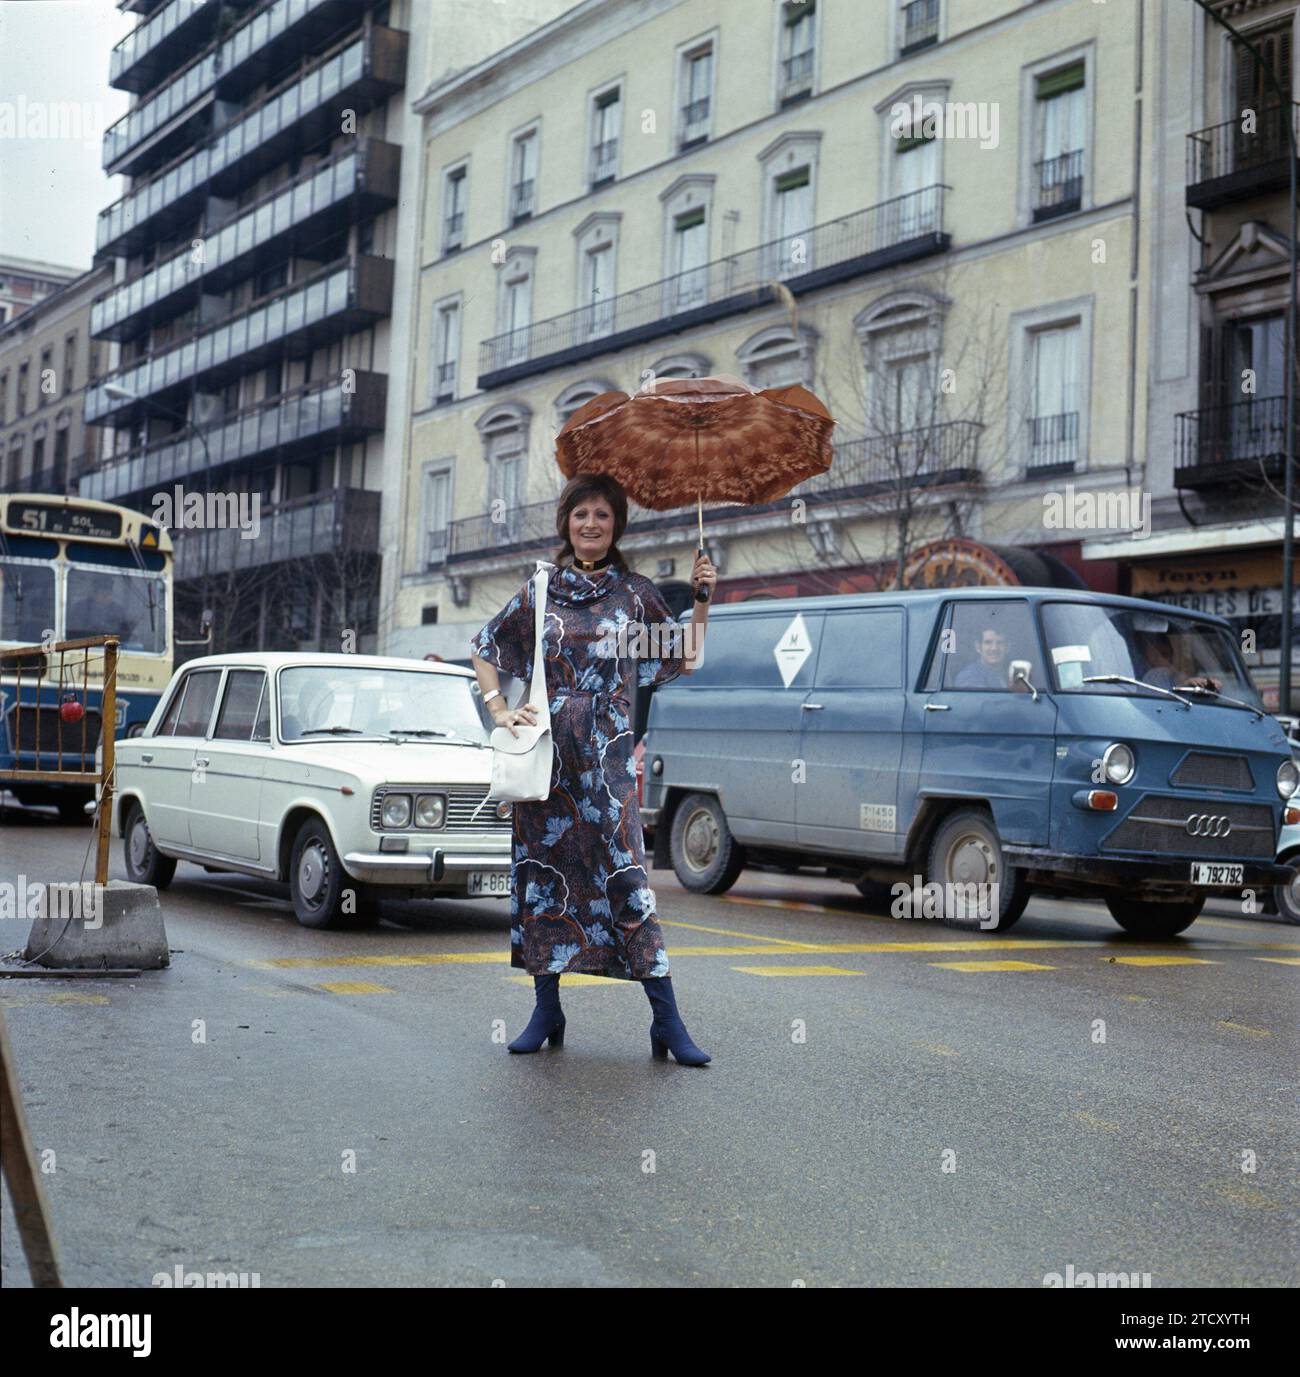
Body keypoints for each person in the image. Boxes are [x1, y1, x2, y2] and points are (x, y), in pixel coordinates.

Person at [470, 473, 716, 1066]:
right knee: (541, 878)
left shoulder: (634, 594)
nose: (590, 524)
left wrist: (702, 598)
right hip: (547, 762)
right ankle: (546, 1008)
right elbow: (485, 647)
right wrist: (501, 711)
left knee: (628, 882)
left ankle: (666, 1020)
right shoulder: (540, 590)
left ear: (616, 526)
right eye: (580, 514)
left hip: (606, 763)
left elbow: (686, 656)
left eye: (602, 515)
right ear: (566, 523)